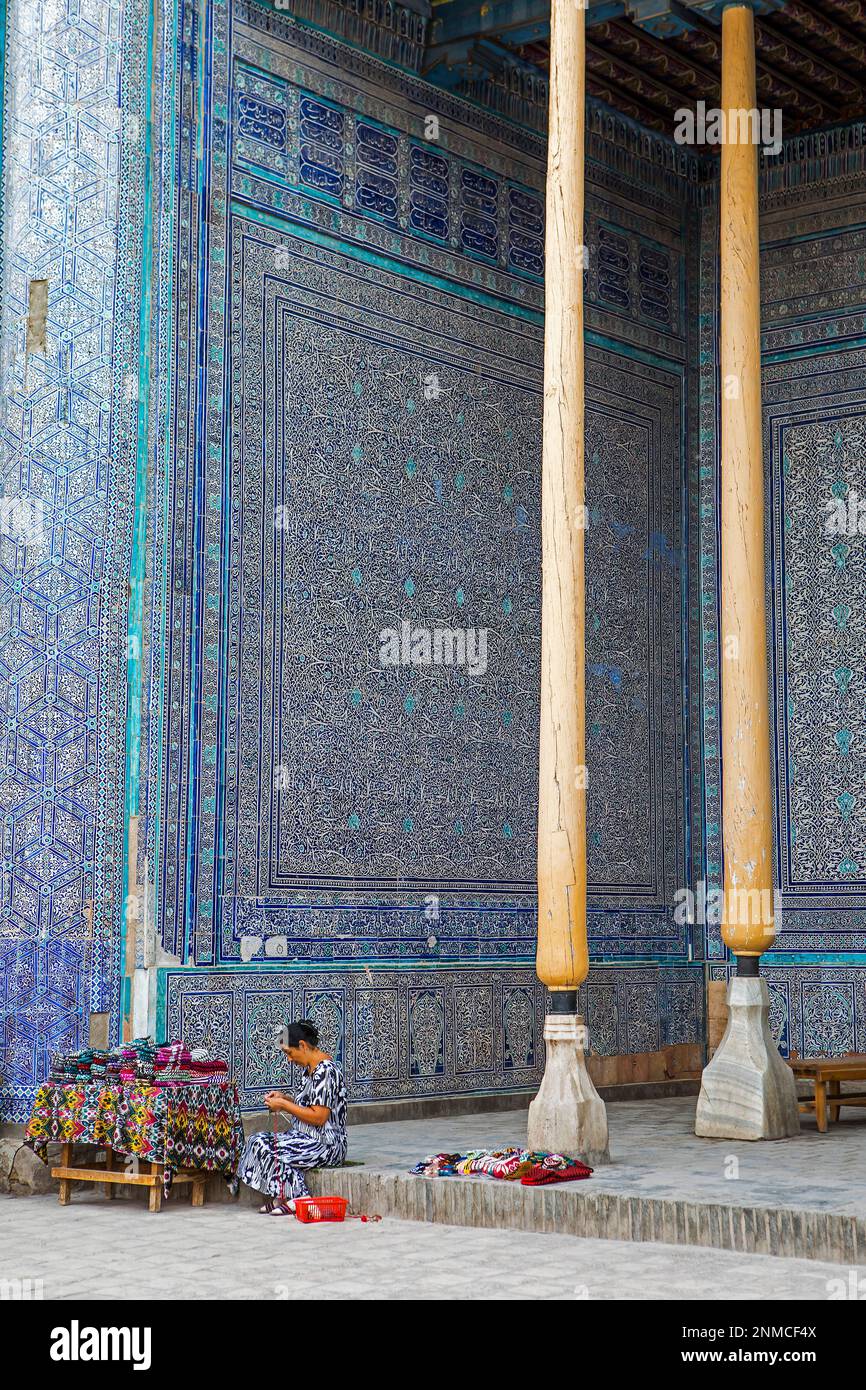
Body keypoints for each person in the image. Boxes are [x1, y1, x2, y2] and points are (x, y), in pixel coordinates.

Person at [236, 1019, 348, 1215]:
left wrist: (285, 1105)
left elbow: (319, 1117)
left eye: (289, 1053)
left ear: (303, 1046)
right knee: (256, 1140)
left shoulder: (326, 1071)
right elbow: (308, 1105)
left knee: (264, 1145)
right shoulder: (310, 1071)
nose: (289, 1059)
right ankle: (284, 1196)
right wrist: (284, 1098)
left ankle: (299, 1197)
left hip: (326, 1144)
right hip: (306, 1138)